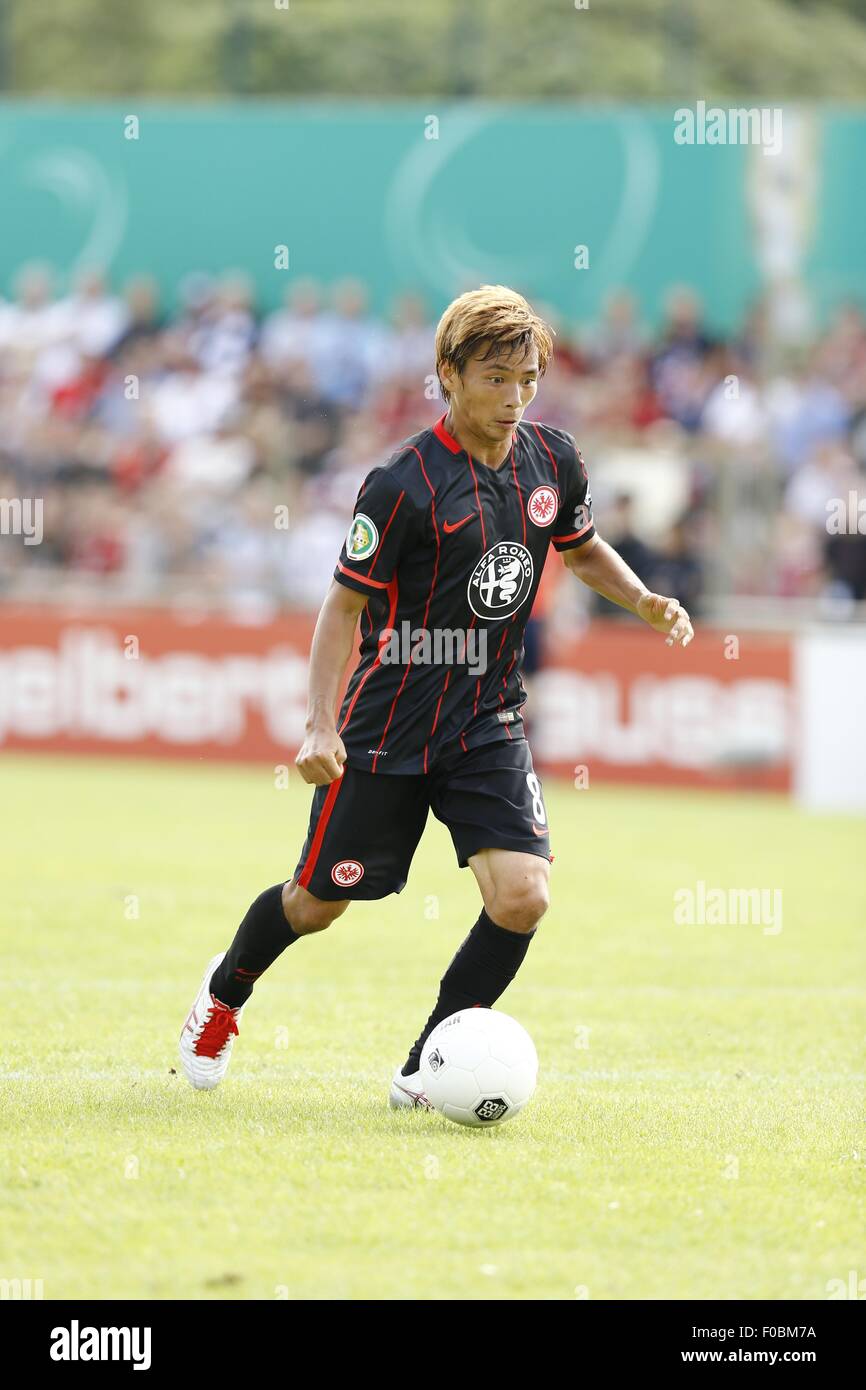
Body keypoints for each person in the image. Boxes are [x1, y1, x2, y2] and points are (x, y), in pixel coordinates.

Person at [179, 285, 694, 1104]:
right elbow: (341, 606)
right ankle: (222, 996)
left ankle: (425, 1066)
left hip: (488, 720)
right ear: (448, 374)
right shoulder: (401, 484)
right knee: (316, 904)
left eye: (528, 378)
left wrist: (643, 599)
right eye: (496, 379)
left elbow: (582, 547)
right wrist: (319, 725)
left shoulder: (551, 459)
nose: (515, 398)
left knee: (524, 896)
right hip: (387, 729)